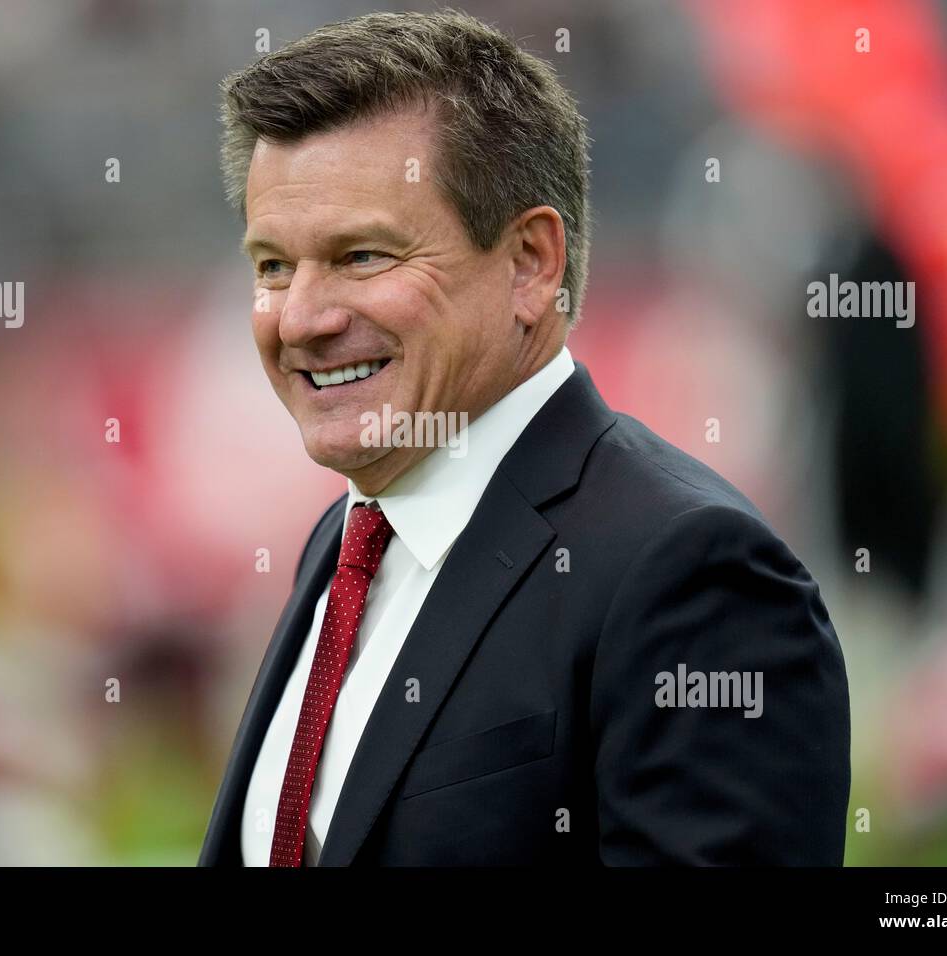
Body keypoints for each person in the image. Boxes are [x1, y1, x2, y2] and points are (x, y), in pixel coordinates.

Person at [198, 9, 850, 866]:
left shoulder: (693, 575)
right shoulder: (348, 541)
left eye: (362, 256)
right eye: (273, 265)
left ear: (532, 263)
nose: (302, 319)